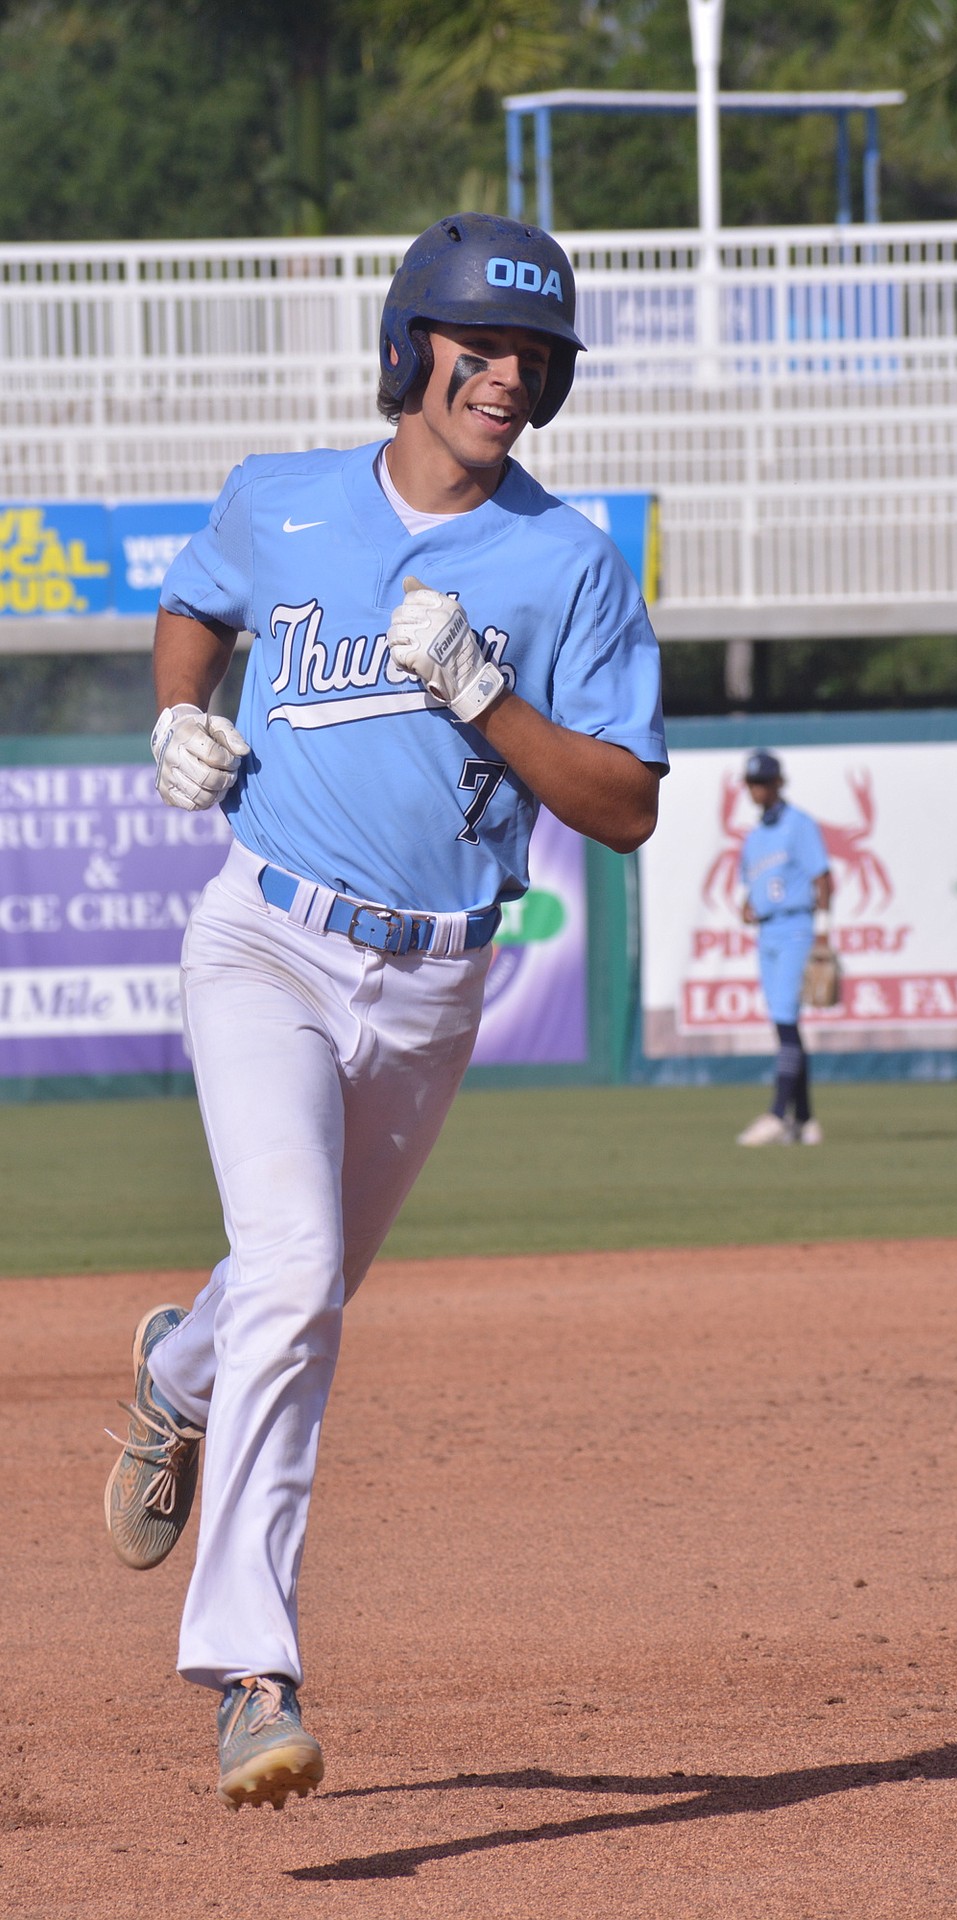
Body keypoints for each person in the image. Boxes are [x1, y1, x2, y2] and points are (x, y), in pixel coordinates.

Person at [103, 212, 667, 1811]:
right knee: (300, 1275)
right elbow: (197, 606)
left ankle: (178, 1375)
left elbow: (621, 806)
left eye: (532, 358)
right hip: (266, 940)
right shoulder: (279, 500)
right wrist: (175, 718)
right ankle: (251, 1671)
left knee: (296, 1280)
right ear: (407, 350)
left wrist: (488, 693)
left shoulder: (566, 563)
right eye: (478, 347)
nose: (504, 378)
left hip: (434, 979)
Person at [735, 750, 832, 1147]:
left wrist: (823, 932)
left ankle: (778, 1114)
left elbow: (823, 878)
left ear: (778, 783)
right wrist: (748, 905)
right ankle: (805, 1121)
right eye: (753, 783)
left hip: (796, 929)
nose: (758, 790)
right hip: (768, 934)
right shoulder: (755, 838)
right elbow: (752, 889)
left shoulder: (799, 825)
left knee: (787, 1020)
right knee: (784, 1025)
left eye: (764, 782)